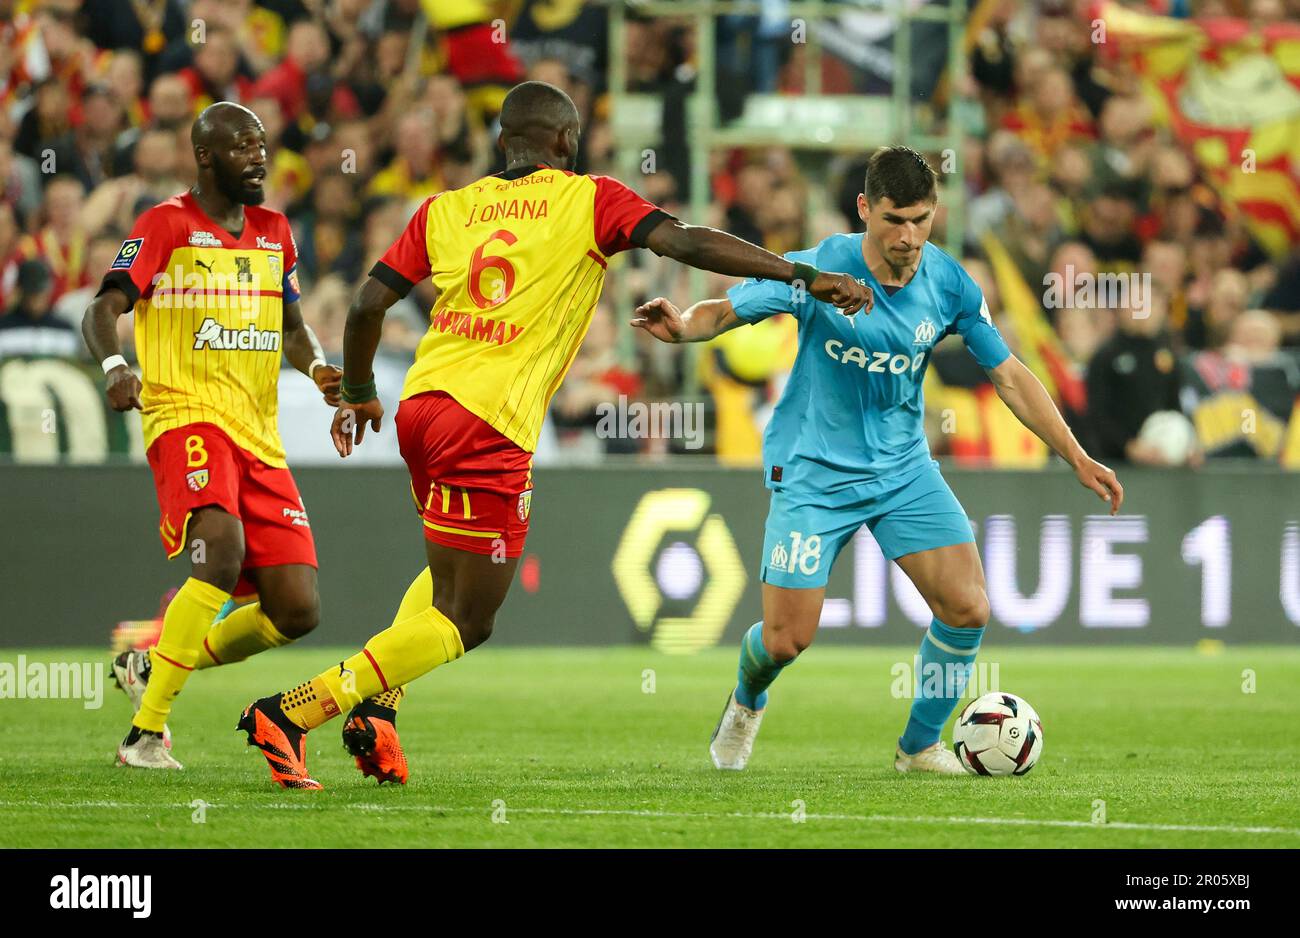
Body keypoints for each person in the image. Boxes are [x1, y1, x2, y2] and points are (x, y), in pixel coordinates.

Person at [237, 80, 871, 789]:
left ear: (502, 143)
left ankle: (378, 711)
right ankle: (293, 711)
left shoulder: (447, 209)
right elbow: (686, 242)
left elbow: (365, 306)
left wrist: (357, 392)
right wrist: (799, 274)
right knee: (470, 619)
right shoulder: (588, 198)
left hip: (421, 406)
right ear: (567, 144)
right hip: (487, 422)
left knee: (447, 579)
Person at [631, 146, 1125, 774]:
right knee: (785, 641)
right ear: (865, 208)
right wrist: (683, 325)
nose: (909, 236)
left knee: (967, 606)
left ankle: (918, 747)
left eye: (922, 219)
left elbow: (1009, 376)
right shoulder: (818, 269)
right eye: (895, 219)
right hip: (813, 470)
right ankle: (746, 701)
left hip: (902, 471)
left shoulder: (950, 285)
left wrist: (1076, 457)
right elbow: (726, 311)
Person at [81, 102, 342, 770]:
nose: (259, 157)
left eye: (262, 145)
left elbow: (290, 324)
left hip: (259, 434)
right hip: (184, 414)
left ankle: (151, 660)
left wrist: (316, 367)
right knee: (219, 552)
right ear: (206, 157)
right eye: (242, 146)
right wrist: (115, 366)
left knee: (296, 609)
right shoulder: (164, 224)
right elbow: (104, 305)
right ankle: (145, 735)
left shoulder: (275, 231)